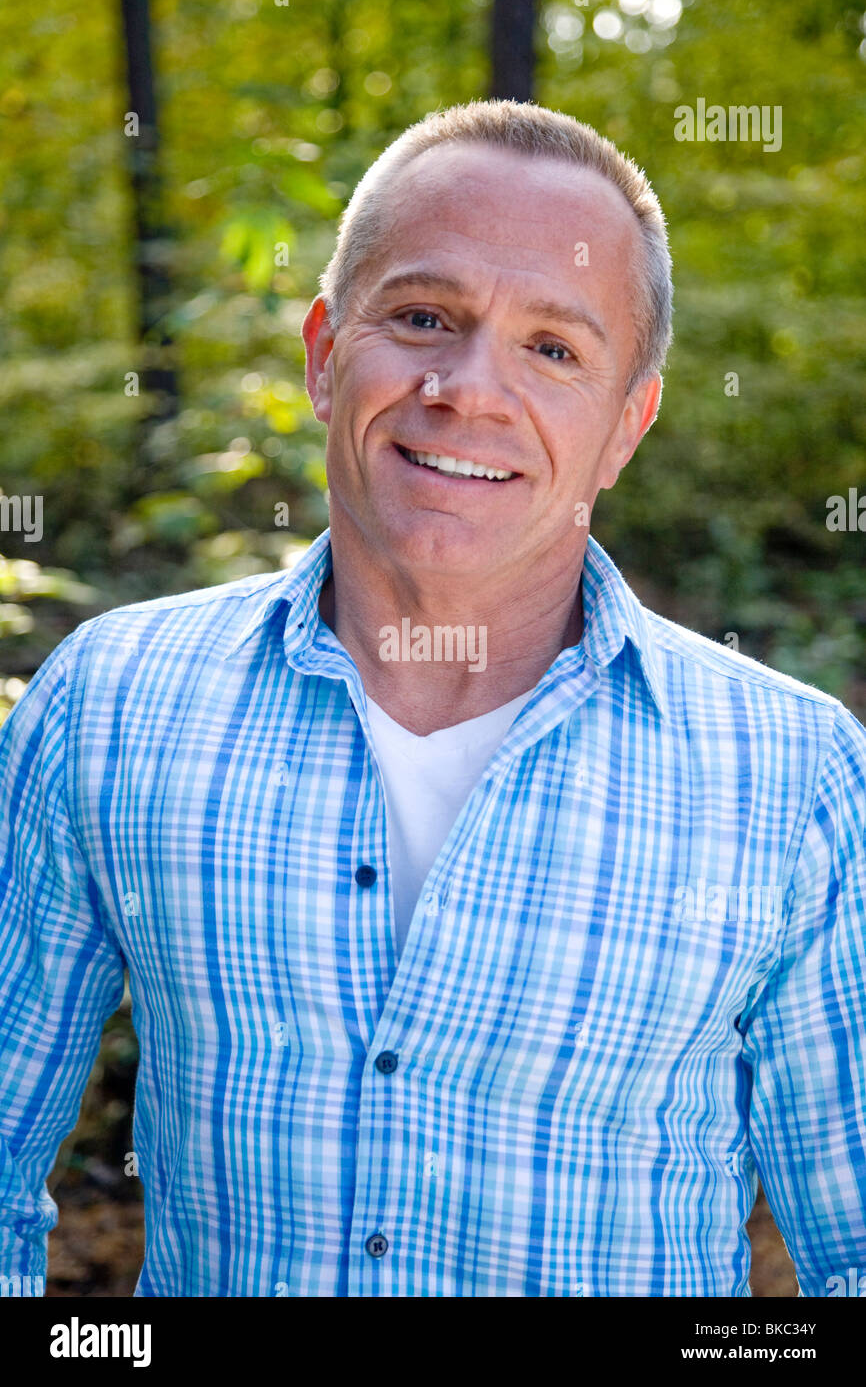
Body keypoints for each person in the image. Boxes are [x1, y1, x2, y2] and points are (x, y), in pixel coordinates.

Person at [1, 100, 864, 1298]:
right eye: (422, 317)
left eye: (553, 348)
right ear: (321, 352)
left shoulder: (795, 774)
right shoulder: (110, 705)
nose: (467, 390)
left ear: (625, 424)